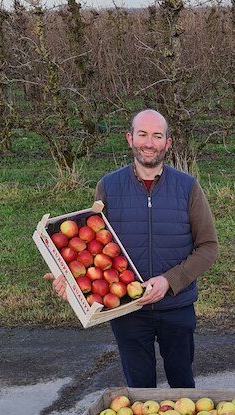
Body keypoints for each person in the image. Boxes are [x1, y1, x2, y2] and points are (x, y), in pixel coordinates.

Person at [46, 109, 218, 388]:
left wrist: (169, 281)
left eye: (157, 136)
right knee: (139, 389)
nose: (149, 143)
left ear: (168, 143)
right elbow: (91, 247)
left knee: (183, 385)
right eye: (142, 134)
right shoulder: (109, 186)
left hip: (176, 305)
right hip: (126, 307)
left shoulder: (188, 188)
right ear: (129, 139)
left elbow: (208, 247)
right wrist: (69, 277)